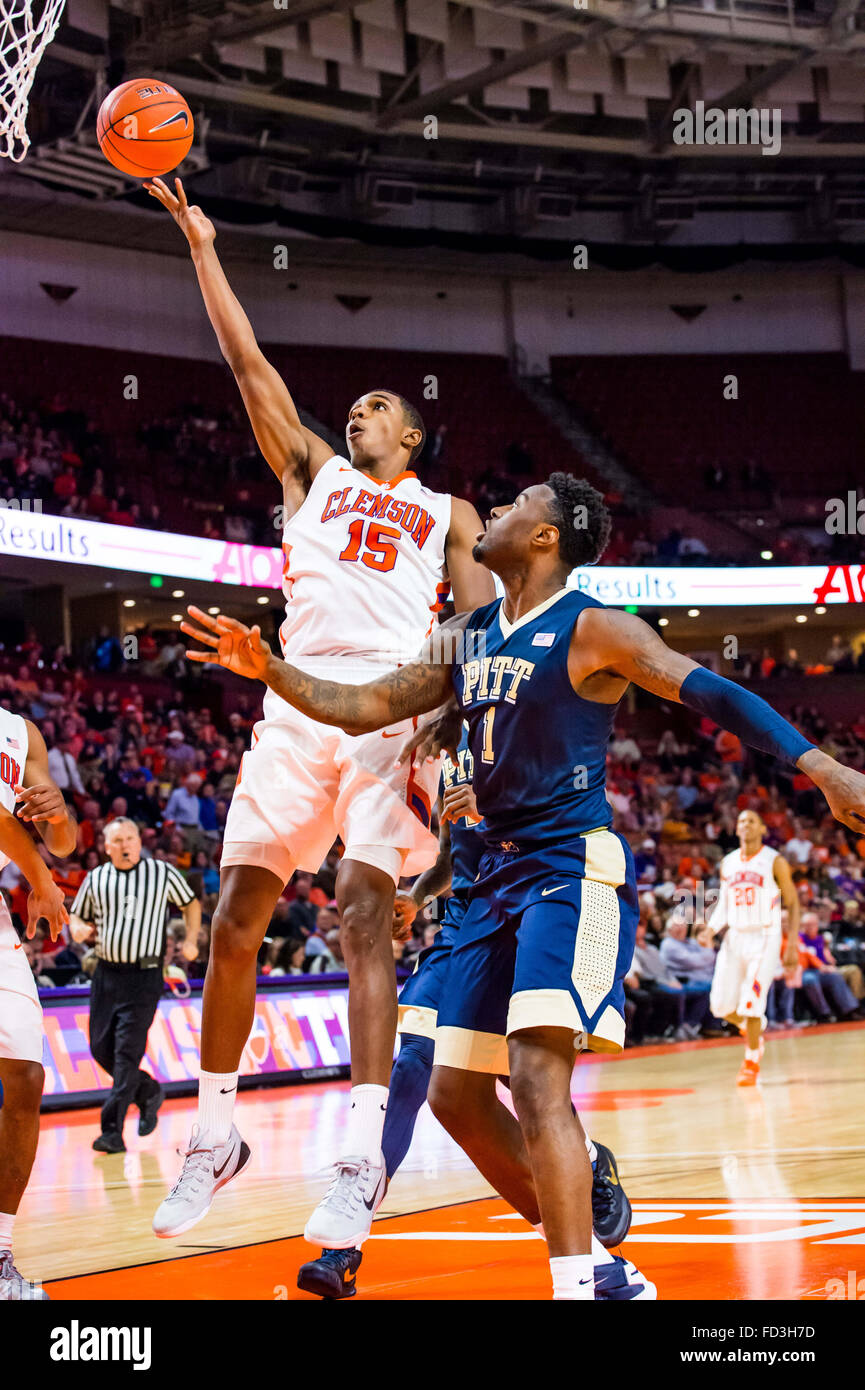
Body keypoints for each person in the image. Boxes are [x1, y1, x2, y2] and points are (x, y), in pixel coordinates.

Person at [181, 472, 865, 1297]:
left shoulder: (594, 628)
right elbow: (364, 703)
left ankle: (573, 1282)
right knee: (454, 1096)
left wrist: (822, 769)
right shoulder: (463, 634)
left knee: (535, 1071)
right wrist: (273, 669)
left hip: (567, 872)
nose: (496, 509)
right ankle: (607, 1271)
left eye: (516, 505)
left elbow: (712, 692)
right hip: (485, 880)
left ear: (547, 537)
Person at [146, 175, 493, 1248]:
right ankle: (213, 1131)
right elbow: (245, 360)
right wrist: (204, 244)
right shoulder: (312, 469)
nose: (360, 412)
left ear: (418, 434)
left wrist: (463, 733)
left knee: (357, 903)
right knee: (240, 911)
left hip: (389, 709)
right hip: (293, 703)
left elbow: (479, 629)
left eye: (381, 406)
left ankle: (356, 1162)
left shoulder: (449, 511)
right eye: (354, 407)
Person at [298, 737, 647, 1301]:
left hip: (525, 910)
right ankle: (345, 1245)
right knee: (414, 1066)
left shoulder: (520, 715)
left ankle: (586, 1162)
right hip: (461, 929)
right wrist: (417, 893)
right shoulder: (442, 734)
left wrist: (494, 805)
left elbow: (547, 816)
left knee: (524, 1077)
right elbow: (451, 852)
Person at [0, 705, 76, 1300]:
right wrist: (41, 881)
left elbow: (65, 842)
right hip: (20, 887)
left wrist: (58, 816)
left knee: (26, 1075)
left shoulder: (21, 730)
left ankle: (0, 1257)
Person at [69, 818, 201, 1153]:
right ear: (106, 846)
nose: (126, 845)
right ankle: (147, 1092)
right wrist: (78, 928)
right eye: (119, 840)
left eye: (131, 838)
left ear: (139, 842)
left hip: (144, 977)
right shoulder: (96, 877)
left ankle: (111, 1131)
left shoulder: (162, 873)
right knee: (101, 1048)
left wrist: (190, 940)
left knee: (127, 1053)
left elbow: (190, 904)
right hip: (106, 975)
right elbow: (77, 916)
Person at [707, 810, 800, 1086]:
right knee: (720, 1007)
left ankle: (751, 1058)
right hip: (735, 937)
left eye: (751, 821)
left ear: (762, 828)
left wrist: (791, 943)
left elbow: (793, 903)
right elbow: (724, 904)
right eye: (741, 821)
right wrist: (710, 929)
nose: (745, 825)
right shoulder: (728, 862)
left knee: (751, 1003)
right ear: (736, 830)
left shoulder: (774, 861)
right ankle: (754, 1029)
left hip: (765, 936)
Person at [797, 912, 861, 1022]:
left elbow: (828, 959)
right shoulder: (799, 939)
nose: (810, 927)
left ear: (817, 925)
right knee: (810, 979)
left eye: (813, 924)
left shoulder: (821, 939)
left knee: (835, 976)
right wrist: (822, 966)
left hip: (821, 970)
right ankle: (824, 1014)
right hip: (805, 970)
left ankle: (849, 1010)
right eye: (807, 924)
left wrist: (829, 962)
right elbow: (807, 956)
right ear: (802, 926)